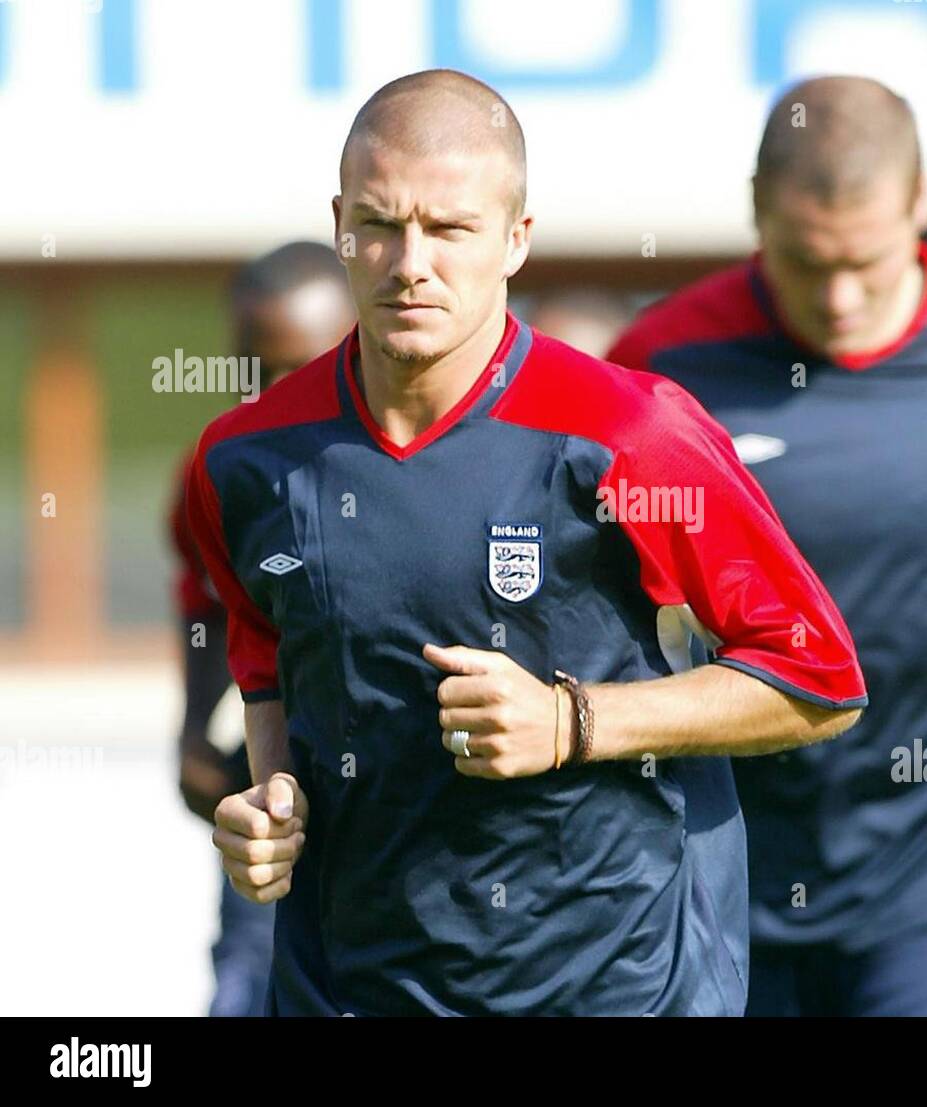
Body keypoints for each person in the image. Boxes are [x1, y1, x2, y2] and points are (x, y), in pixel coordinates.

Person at [186, 69, 866, 1017]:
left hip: (619, 986)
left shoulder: (631, 431)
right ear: (341, 224)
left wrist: (574, 722)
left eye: (451, 228)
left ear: (516, 239)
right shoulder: (245, 459)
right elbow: (271, 673)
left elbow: (820, 679)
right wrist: (270, 812)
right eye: (380, 224)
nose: (409, 261)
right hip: (350, 984)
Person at [608, 77, 927, 1016]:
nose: (839, 299)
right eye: (806, 261)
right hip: (736, 856)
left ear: (921, 202)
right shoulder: (661, 364)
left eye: (868, 263)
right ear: (757, 208)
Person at [168, 241, 354, 1016]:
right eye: (259, 368)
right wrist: (193, 732)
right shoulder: (221, 469)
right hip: (271, 812)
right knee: (247, 983)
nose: (279, 390)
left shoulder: (399, 469)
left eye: (302, 365)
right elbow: (205, 603)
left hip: (394, 818)